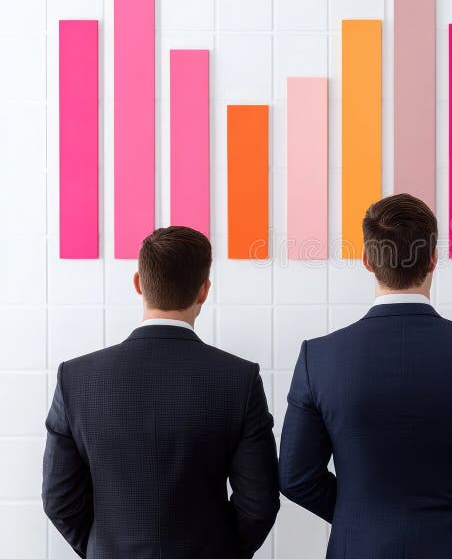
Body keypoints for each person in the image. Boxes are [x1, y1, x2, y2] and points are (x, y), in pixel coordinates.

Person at [279, 193, 452, 558]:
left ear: (366, 261)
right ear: (433, 259)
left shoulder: (318, 358)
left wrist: (357, 516)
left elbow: (296, 478)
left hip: (360, 545)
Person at [42, 226, 279, 558]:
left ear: (138, 283)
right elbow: (259, 503)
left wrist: (103, 549)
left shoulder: (77, 378)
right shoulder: (238, 379)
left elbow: (59, 501)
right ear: (204, 291)